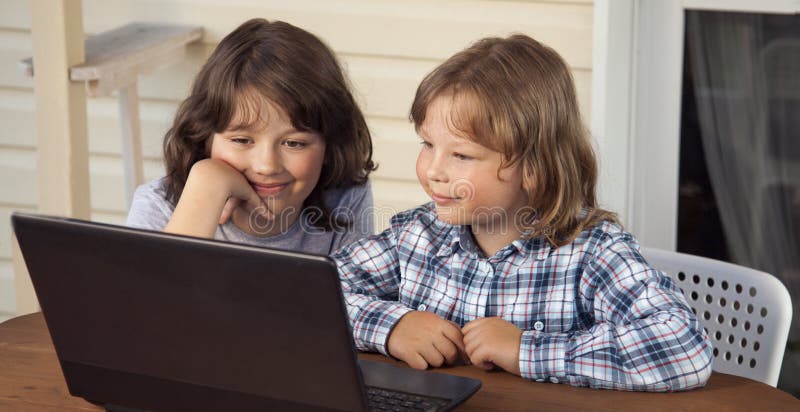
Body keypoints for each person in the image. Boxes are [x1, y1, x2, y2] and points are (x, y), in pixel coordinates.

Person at [333, 34, 713, 391]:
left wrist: (526, 350)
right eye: (428, 144)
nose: (433, 170)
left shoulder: (591, 254)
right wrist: (393, 325)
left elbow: (683, 344)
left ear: (534, 167)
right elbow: (315, 292)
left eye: (462, 155)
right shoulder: (417, 235)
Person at [127, 19, 376, 255]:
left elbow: (355, 297)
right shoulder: (158, 206)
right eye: (242, 140)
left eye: (294, 143)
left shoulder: (345, 198)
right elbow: (153, 298)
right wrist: (206, 187)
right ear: (204, 135)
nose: (267, 166)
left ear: (330, 146)